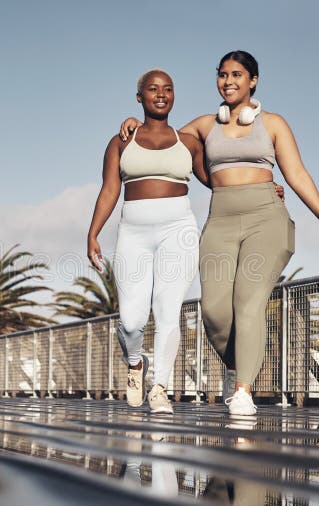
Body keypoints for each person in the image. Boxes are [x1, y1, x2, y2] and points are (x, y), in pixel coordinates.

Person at [120, 51, 319, 416]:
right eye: (223, 75)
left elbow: (296, 173)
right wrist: (132, 121)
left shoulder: (273, 124)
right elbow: (161, 134)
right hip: (220, 218)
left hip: (265, 217)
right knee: (215, 312)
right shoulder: (205, 125)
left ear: (253, 80)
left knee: (248, 301)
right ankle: (239, 365)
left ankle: (243, 391)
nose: (229, 81)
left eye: (237, 75)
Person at [87, 69, 208, 414]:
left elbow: (216, 180)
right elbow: (110, 189)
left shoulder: (188, 142)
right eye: (152, 89)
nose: (161, 94)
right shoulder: (121, 141)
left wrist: (261, 184)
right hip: (133, 231)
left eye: (168, 89)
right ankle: (136, 365)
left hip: (178, 228)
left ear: (174, 96)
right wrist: (93, 232)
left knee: (168, 312)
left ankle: (160, 388)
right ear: (139, 97)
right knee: (130, 320)